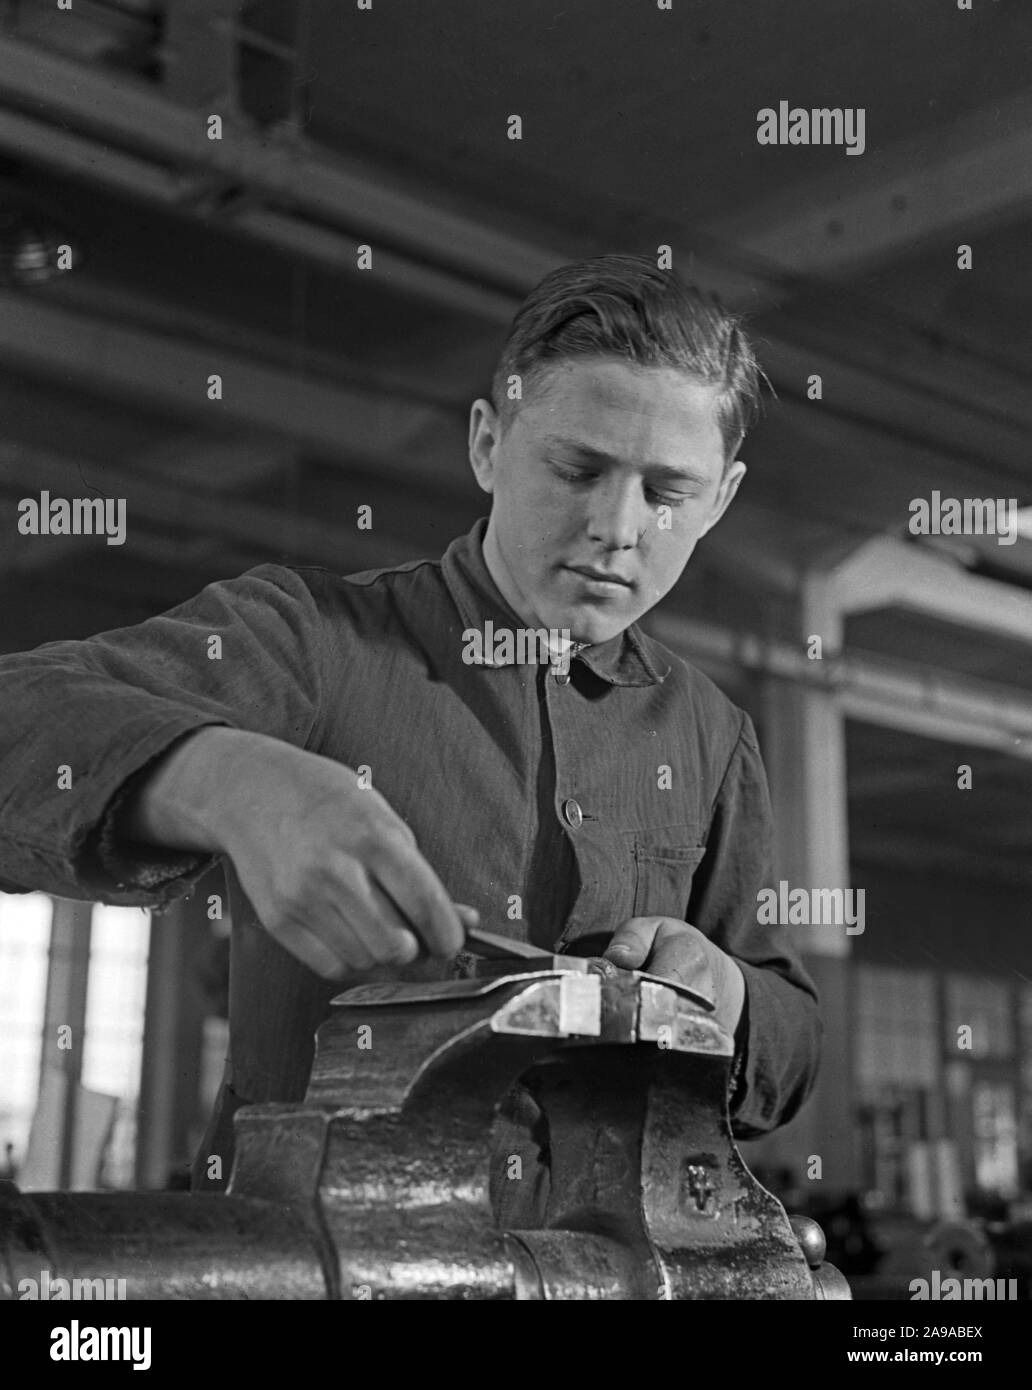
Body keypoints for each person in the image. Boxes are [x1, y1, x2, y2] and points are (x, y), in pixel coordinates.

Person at [0, 255, 820, 1203]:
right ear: (486, 445)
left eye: (668, 493)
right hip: (321, 1256)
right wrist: (225, 780)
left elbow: (791, 1036)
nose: (616, 526)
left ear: (719, 499)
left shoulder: (711, 739)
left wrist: (728, 997)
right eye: (577, 467)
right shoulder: (311, 640)